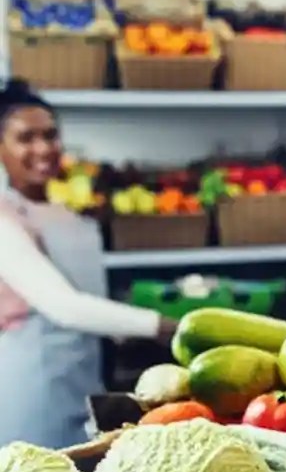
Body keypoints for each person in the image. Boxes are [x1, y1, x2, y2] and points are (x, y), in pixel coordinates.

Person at [0, 79, 177, 449]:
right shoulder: (4, 218)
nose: (44, 148)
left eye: (51, 135)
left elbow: (87, 291)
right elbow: (63, 305)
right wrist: (162, 326)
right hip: (30, 382)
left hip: (82, 376)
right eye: (25, 138)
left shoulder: (69, 210)